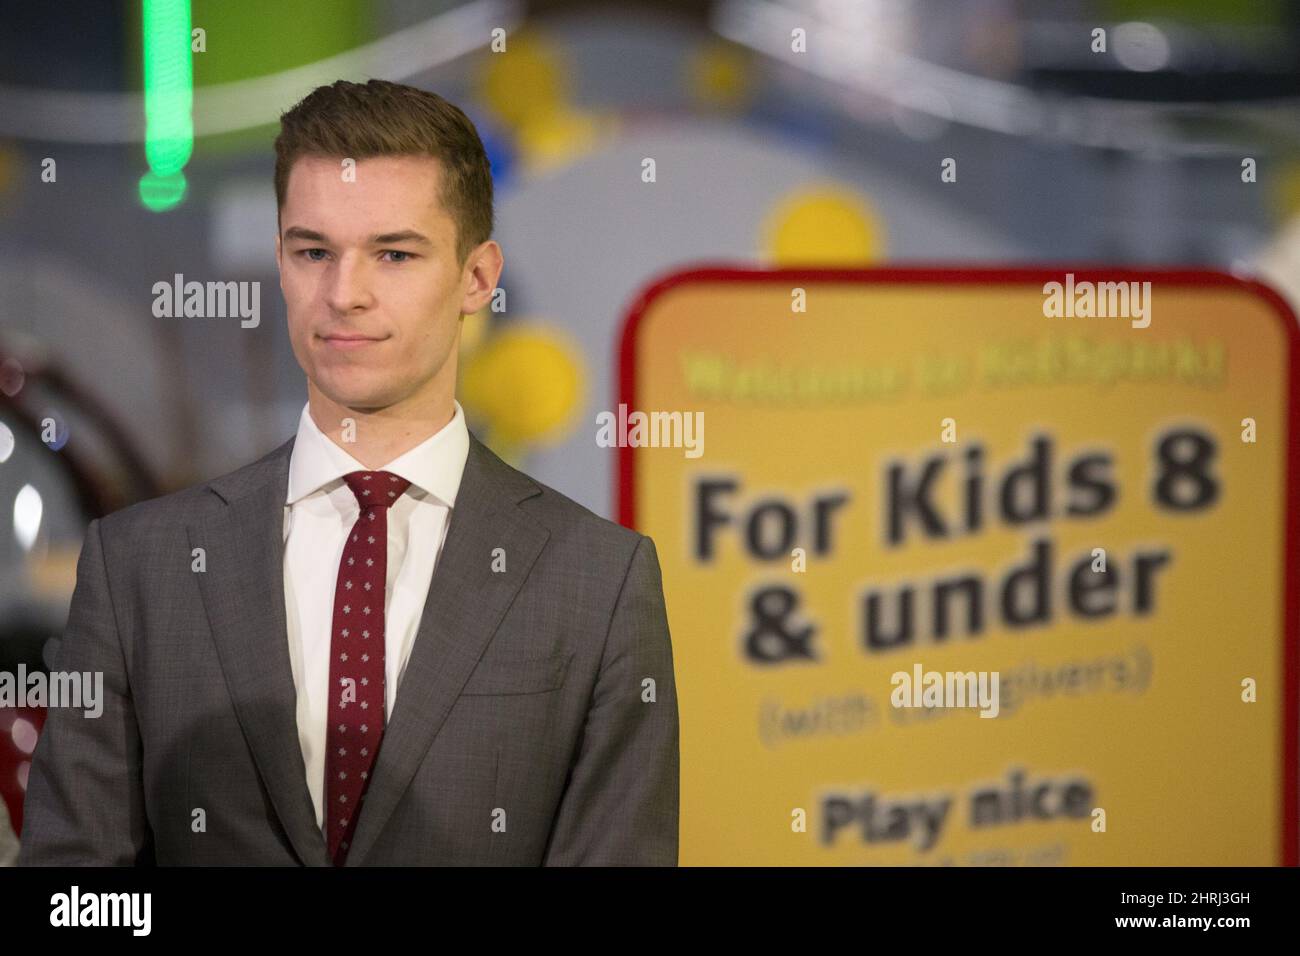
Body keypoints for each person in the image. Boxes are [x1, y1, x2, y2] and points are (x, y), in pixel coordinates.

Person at [19, 79, 678, 866]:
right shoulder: (139, 567)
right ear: (281, 262)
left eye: (394, 254)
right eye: (313, 253)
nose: (344, 294)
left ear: (477, 277)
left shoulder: (598, 582)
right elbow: (74, 899)